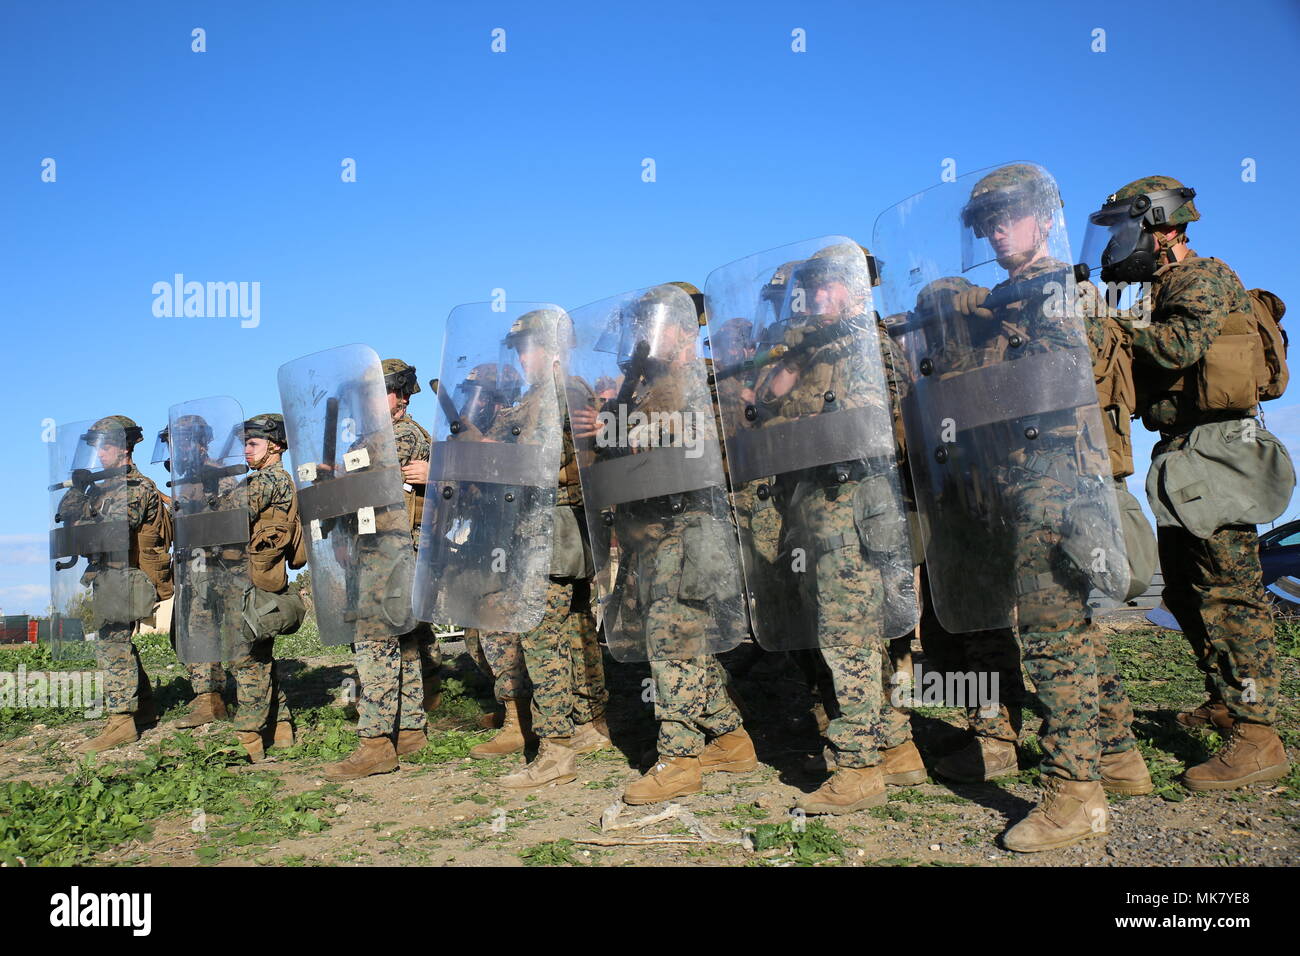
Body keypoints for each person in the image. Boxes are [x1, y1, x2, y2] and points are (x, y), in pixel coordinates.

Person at [940, 163, 1147, 850]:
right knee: (1075, 629)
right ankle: (1118, 757)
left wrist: (991, 320)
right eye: (986, 221)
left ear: (1046, 217)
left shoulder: (1061, 291)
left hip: (1058, 484)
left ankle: (1074, 797)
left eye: (1010, 213)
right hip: (1028, 482)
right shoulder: (1015, 298)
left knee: (1053, 639)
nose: (997, 228)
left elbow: (1055, 377)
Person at [1089, 175, 1293, 791]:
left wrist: (1104, 322)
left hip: (1218, 450)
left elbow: (1176, 348)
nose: (1121, 242)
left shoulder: (1200, 278)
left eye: (1129, 228)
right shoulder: (1160, 288)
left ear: (1164, 226)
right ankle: (1230, 701)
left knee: (1228, 590)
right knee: (1185, 588)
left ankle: (1258, 736)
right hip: (1185, 452)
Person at [591, 284, 756, 805]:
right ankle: (731, 739)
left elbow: (723, 455)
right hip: (646, 536)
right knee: (682, 645)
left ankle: (679, 760)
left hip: (687, 532)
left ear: (685, 329)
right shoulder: (635, 389)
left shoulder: (708, 381)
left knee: (673, 644)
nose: (641, 336)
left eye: (651, 324)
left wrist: (641, 434)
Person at [468, 309, 611, 789]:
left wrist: (485, 452)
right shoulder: (546, 395)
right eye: (517, 349)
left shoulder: (560, 393)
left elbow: (534, 463)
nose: (521, 358)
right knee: (575, 634)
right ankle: (591, 725)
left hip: (547, 534)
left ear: (551, 349)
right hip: (556, 532)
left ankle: (554, 751)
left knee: (542, 640)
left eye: (527, 347)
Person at [71, 416, 171, 754]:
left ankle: (120, 721)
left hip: (128, 576)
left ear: (125, 448)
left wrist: (86, 509)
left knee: (111, 644)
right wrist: (77, 491)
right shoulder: (104, 489)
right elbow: (69, 521)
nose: (100, 454)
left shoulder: (136, 487)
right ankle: (142, 706)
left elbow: (112, 530)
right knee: (114, 641)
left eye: (107, 446)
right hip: (109, 575)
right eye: (97, 448)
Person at [228, 413, 306, 761]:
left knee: (245, 659)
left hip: (250, 582)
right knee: (260, 656)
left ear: (274, 446)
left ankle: (249, 737)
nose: (245, 451)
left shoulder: (265, 481)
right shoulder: (280, 479)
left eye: (252, 443)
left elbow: (230, 516)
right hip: (264, 580)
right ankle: (282, 725)